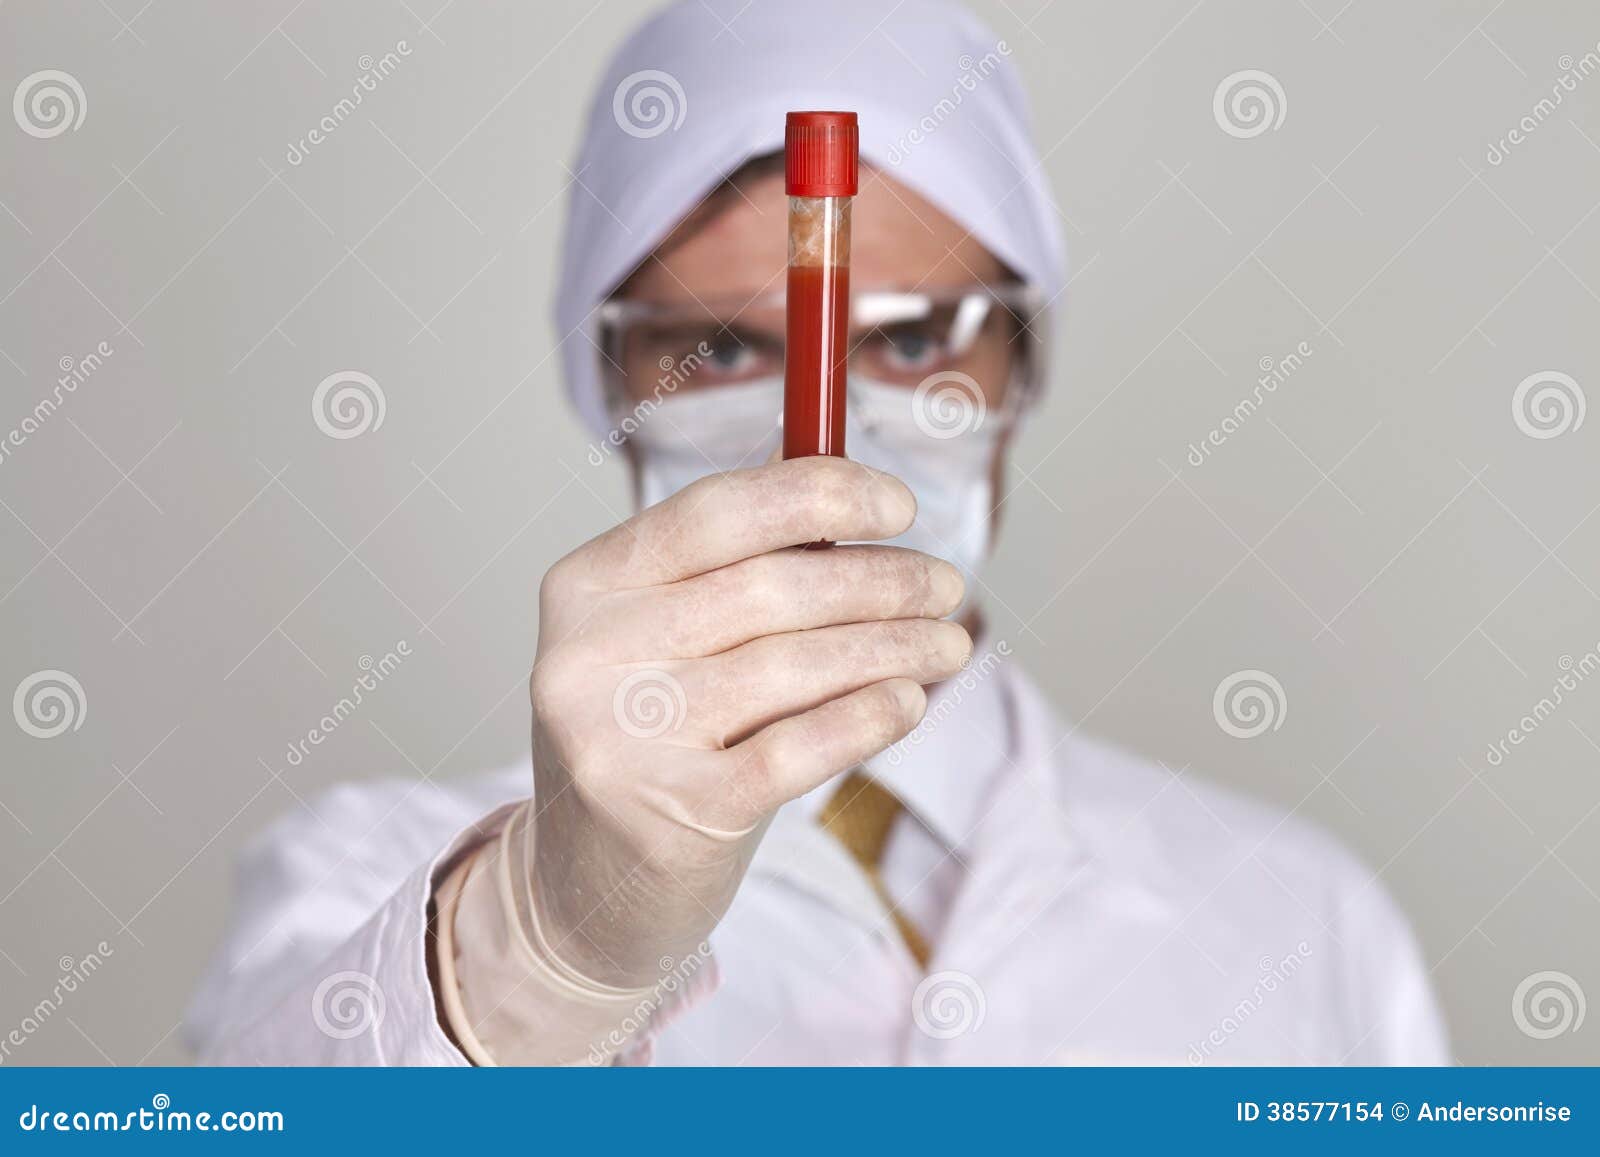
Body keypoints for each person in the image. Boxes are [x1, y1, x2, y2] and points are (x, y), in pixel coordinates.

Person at [185, 0, 1449, 1066]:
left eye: (912, 339)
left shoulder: (1302, 921)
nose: (825, 429)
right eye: (721, 346)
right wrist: (545, 949)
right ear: (611, 386)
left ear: (1022, 368)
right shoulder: (372, 882)